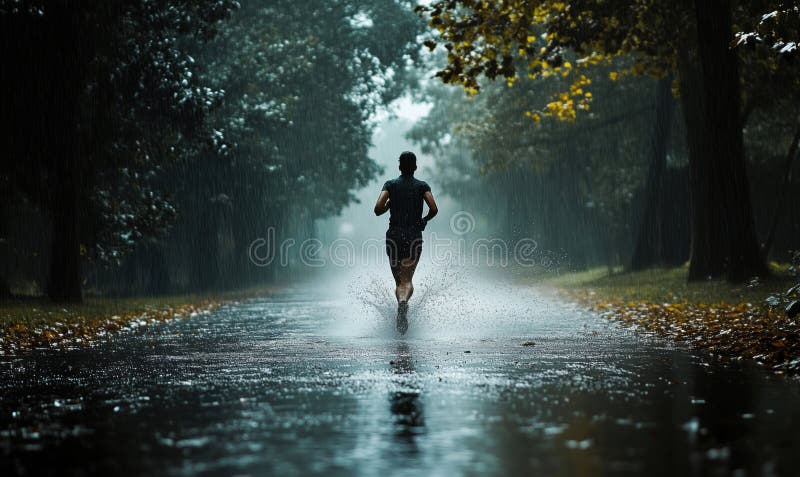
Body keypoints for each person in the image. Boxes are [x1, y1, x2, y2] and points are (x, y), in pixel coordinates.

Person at [374, 151, 438, 334]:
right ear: (415, 167)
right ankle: (403, 302)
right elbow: (434, 209)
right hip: (413, 236)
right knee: (407, 279)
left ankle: (401, 302)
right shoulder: (422, 186)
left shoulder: (390, 185)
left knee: (398, 280)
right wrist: (424, 220)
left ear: (400, 167)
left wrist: (388, 206)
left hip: (394, 235)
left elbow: (378, 209)